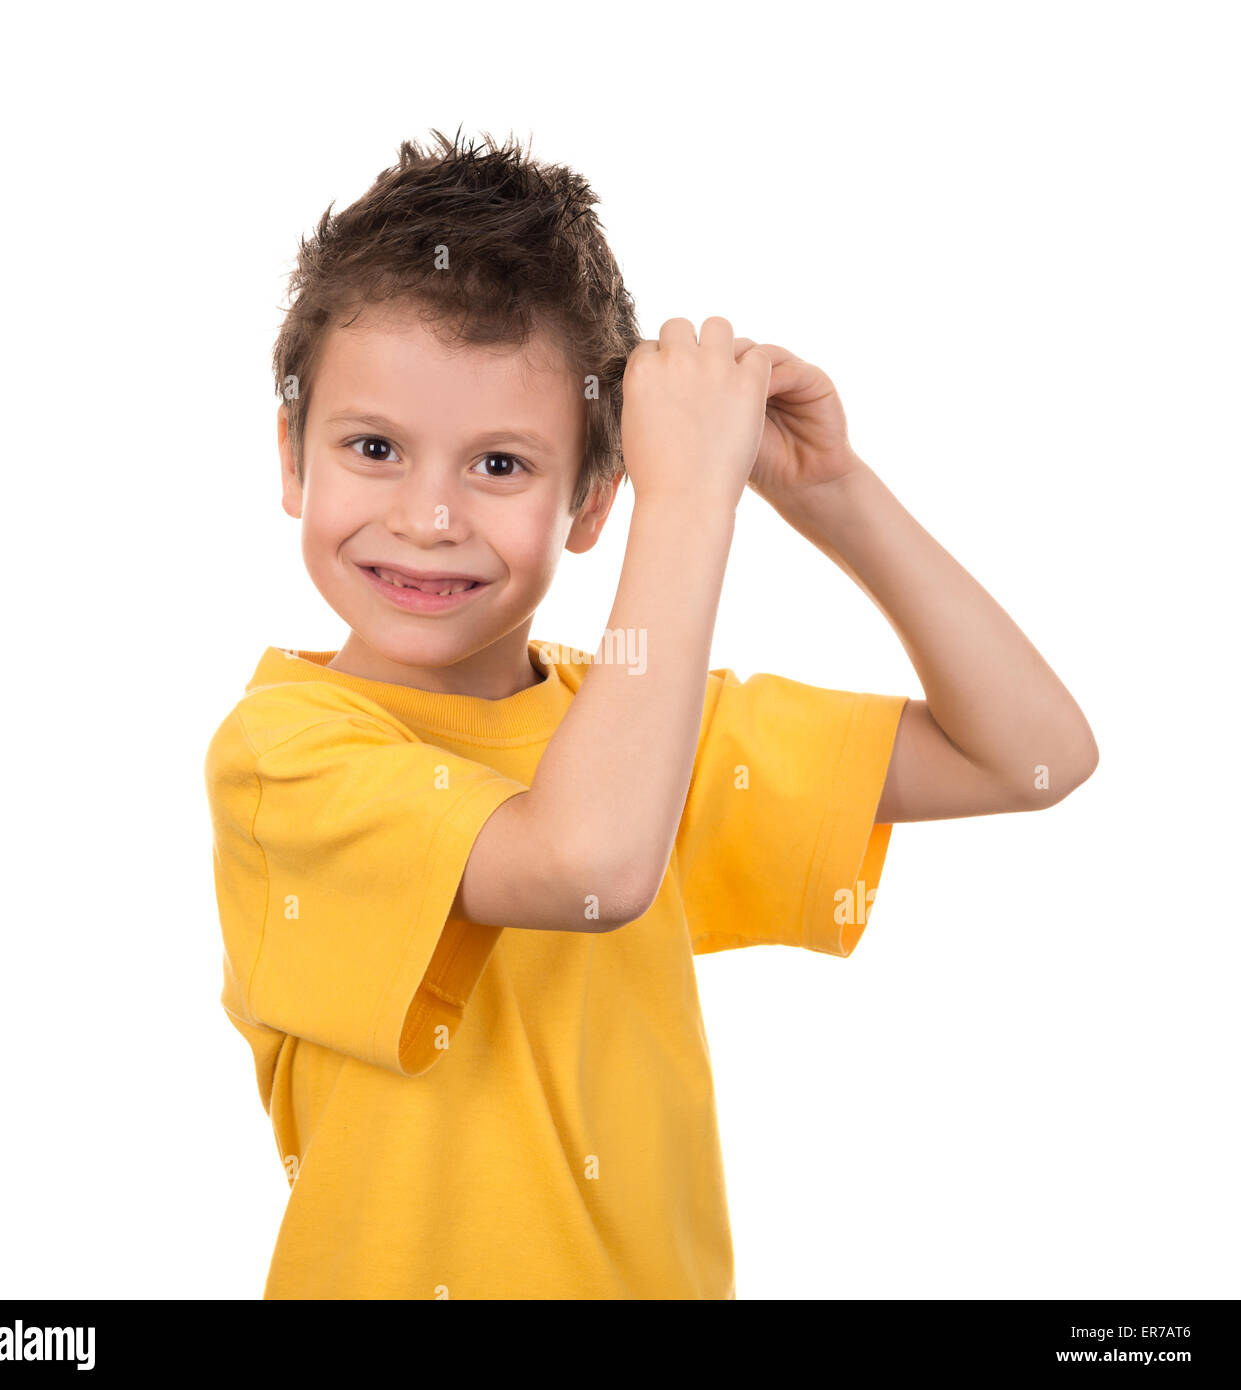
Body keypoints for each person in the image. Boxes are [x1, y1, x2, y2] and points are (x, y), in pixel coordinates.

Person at [203, 128, 1098, 1300]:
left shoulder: (634, 722)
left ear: (590, 502)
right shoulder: (282, 755)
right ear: (291, 456)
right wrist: (689, 501)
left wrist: (829, 495)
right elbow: (588, 862)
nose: (428, 516)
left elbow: (1033, 756)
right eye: (374, 447)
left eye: (501, 466)